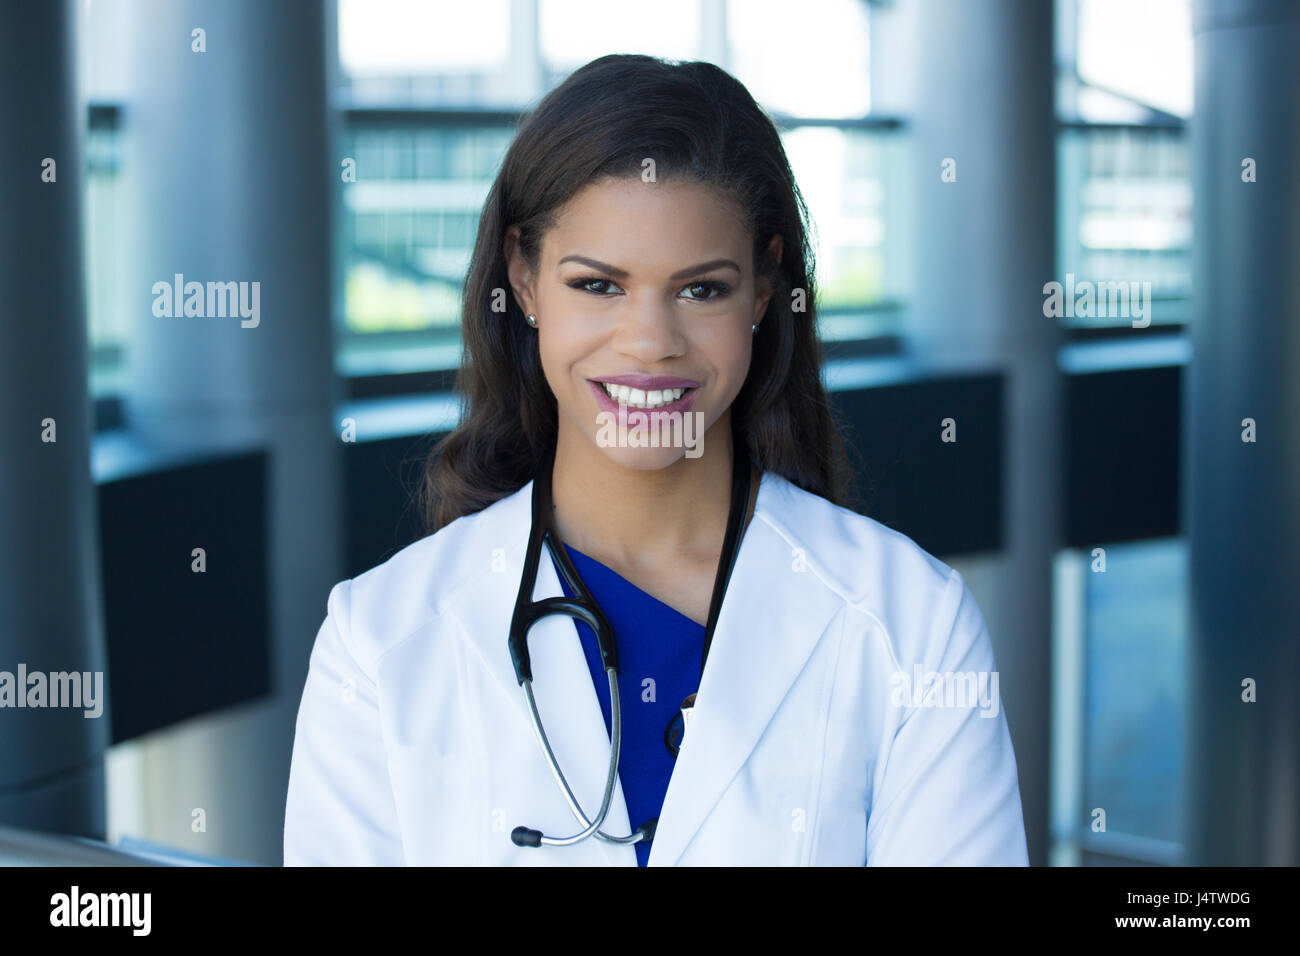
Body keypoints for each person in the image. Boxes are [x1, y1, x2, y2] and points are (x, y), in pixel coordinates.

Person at [284, 53, 1029, 866]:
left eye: (700, 289)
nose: (649, 344)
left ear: (764, 291)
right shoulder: (379, 643)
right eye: (598, 286)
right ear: (523, 280)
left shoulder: (914, 626)